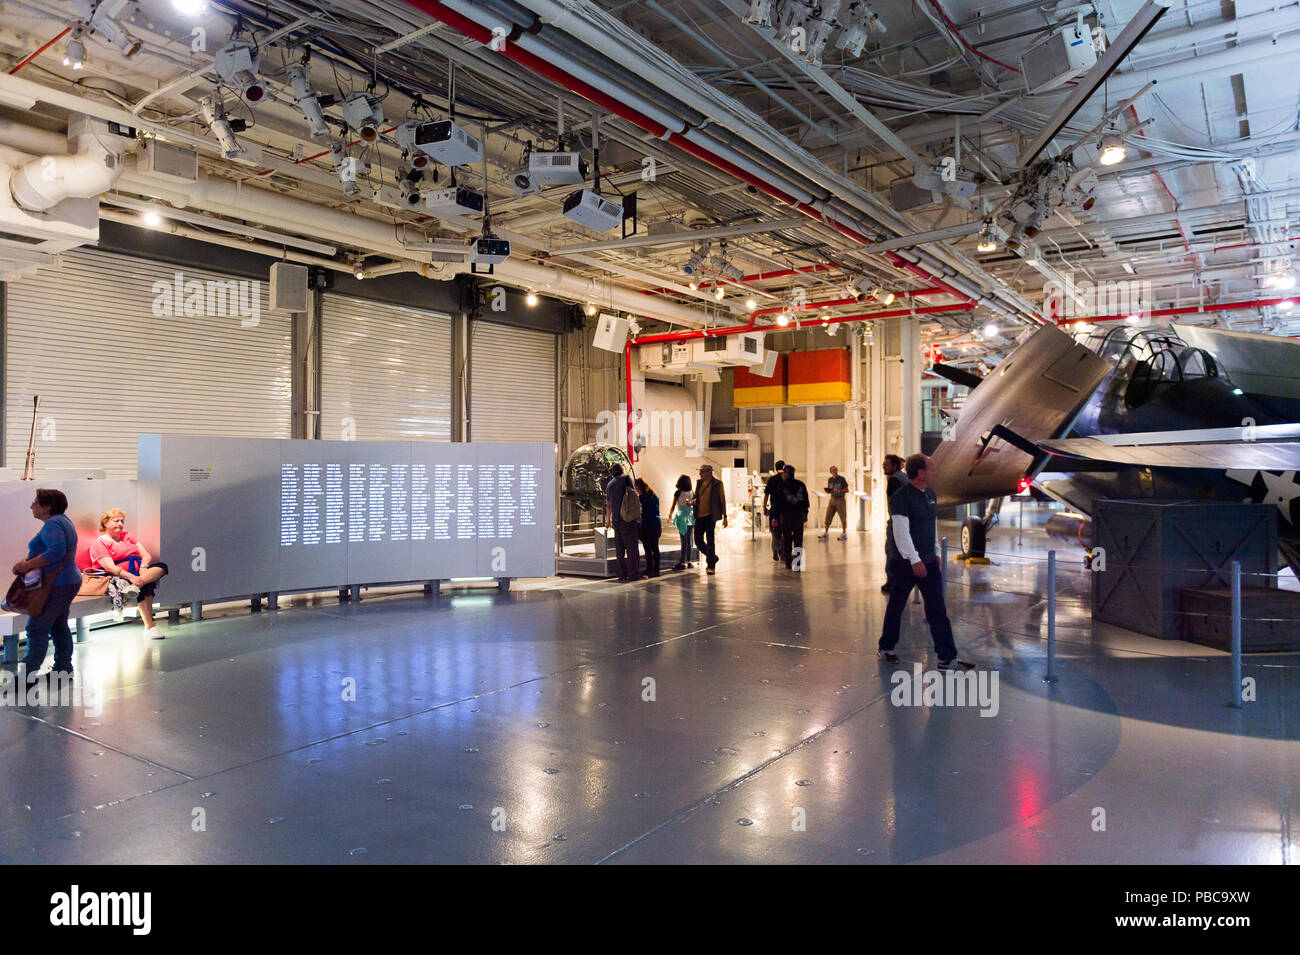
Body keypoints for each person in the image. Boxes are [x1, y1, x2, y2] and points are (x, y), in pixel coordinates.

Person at [878, 453, 973, 671]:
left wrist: (936, 551)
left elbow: (932, 524)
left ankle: (947, 658)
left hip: (928, 561)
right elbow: (901, 532)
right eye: (932, 468)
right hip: (905, 564)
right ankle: (886, 647)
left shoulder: (930, 493)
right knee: (896, 606)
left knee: (937, 609)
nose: (935, 471)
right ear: (920, 472)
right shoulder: (902, 497)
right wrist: (914, 559)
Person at [12, 488, 80, 682]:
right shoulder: (62, 521)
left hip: (57, 583)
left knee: (36, 627)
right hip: (67, 580)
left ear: (47, 507)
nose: (32, 506)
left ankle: (27, 677)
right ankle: (63, 668)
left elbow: (55, 553)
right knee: (58, 624)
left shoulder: (53, 524)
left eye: (36, 502)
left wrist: (27, 565)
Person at [78, 508, 169, 638]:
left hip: (138, 573)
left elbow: (146, 555)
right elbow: (111, 568)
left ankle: (136, 587)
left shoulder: (127, 536)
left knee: (161, 567)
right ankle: (149, 627)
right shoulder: (100, 543)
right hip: (119, 577)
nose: (120, 524)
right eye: (116, 521)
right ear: (105, 523)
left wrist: (142, 569)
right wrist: (132, 577)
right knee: (147, 585)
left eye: (122, 521)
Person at [604, 463, 641, 582]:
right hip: (628, 519)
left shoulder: (609, 484)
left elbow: (608, 505)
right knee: (632, 548)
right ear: (622, 470)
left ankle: (621, 575)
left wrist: (608, 521)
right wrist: (638, 514)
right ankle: (633, 574)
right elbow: (635, 497)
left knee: (619, 550)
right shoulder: (626, 479)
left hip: (616, 521)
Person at [771, 464, 810, 569]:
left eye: (784, 472)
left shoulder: (781, 486)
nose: (783, 474)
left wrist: (775, 517)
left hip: (786, 517)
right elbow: (806, 502)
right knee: (798, 541)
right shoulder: (801, 485)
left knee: (787, 540)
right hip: (798, 516)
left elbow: (777, 504)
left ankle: (788, 564)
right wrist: (805, 514)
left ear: (787, 473)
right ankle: (797, 564)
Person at [692, 464, 727, 576]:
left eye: (702, 472)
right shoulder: (699, 483)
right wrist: (692, 502)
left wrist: (725, 516)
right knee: (697, 540)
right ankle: (713, 557)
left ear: (708, 472)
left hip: (710, 516)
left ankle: (711, 566)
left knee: (710, 540)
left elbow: (722, 500)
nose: (700, 474)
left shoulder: (717, 484)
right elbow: (696, 497)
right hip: (699, 515)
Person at [880, 454, 908, 594]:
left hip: (896, 520)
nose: (883, 466)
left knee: (890, 550)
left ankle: (892, 581)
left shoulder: (894, 480)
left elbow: (893, 501)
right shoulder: (903, 477)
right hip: (905, 519)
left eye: (886, 464)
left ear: (895, 466)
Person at [635, 478, 661, 578]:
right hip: (656, 523)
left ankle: (650, 569)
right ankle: (657, 570)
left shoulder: (641, 497)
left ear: (638, 486)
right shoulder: (655, 495)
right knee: (655, 547)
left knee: (648, 549)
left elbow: (639, 511)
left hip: (647, 524)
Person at [818, 465, 850, 540]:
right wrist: (828, 491)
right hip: (832, 499)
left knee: (843, 516)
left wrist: (838, 491)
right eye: (833, 470)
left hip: (840, 499)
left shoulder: (842, 479)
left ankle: (844, 533)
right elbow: (830, 489)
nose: (835, 471)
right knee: (828, 515)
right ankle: (826, 532)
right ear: (830, 472)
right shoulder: (830, 480)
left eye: (836, 470)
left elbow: (847, 490)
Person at [670, 475, 695, 571]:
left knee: (683, 540)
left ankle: (682, 562)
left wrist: (670, 515)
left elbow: (673, 505)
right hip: (690, 516)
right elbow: (695, 502)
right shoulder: (692, 492)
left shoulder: (678, 492)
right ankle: (689, 561)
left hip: (681, 516)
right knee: (689, 540)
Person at [762, 460, 785, 561]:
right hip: (784, 509)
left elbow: (766, 494)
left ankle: (775, 551)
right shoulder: (786, 478)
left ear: (776, 468)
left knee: (774, 531)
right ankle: (781, 552)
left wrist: (764, 507)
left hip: (774, 509)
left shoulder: (772, 479)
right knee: (784, 531)